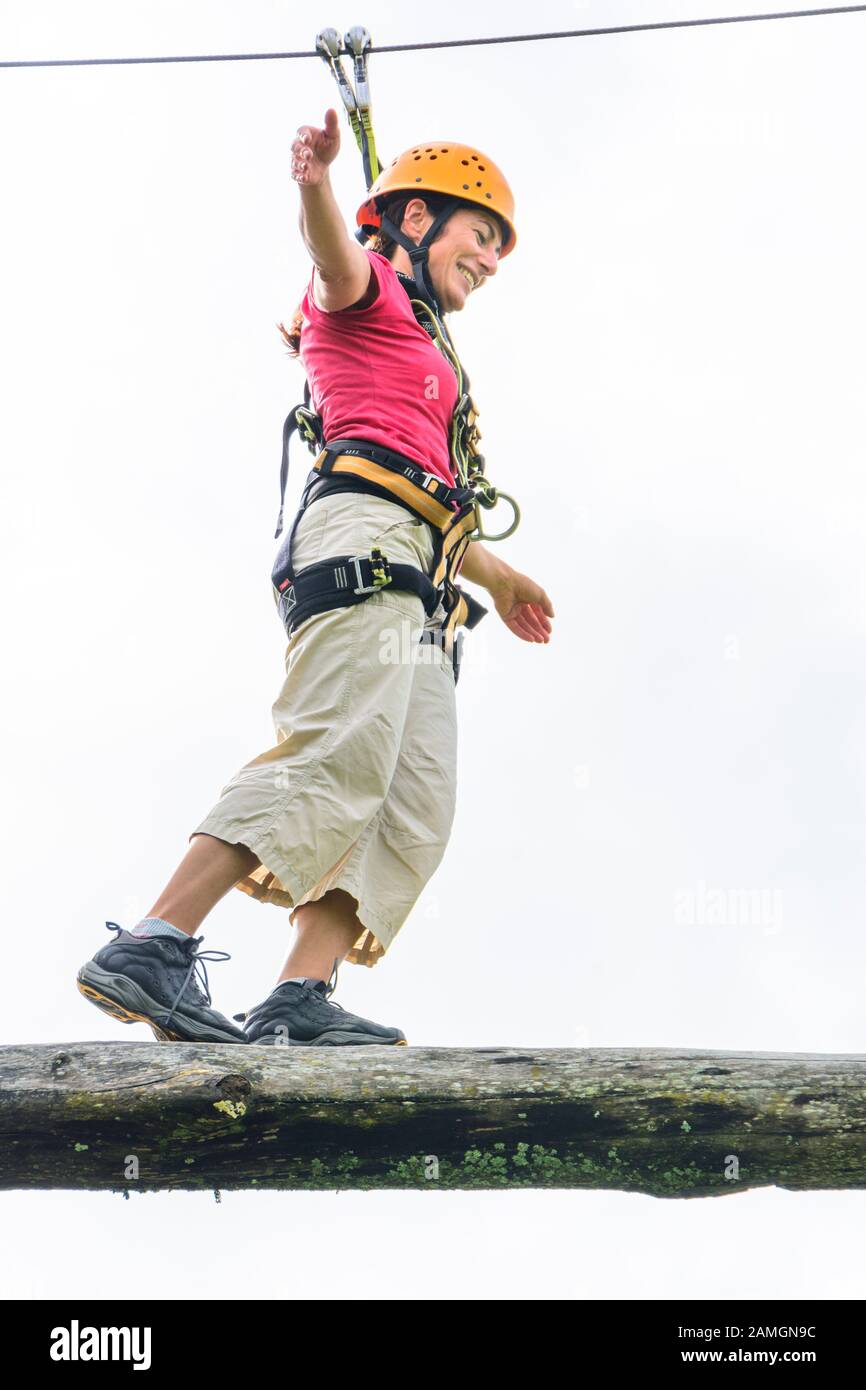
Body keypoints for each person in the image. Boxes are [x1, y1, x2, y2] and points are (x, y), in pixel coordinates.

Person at [77, 109, 554, 1047]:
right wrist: (315, 182)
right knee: (336, 749)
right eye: (481, 234)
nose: (492, 261)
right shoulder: (366, 289)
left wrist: (497, 579)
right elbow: (333, 259)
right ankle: (153, 942)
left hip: (422, 567)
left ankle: (300, 999)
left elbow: (431, 494)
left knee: (411, 794)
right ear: (417, 221)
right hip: (364, 542)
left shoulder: (419, 337)